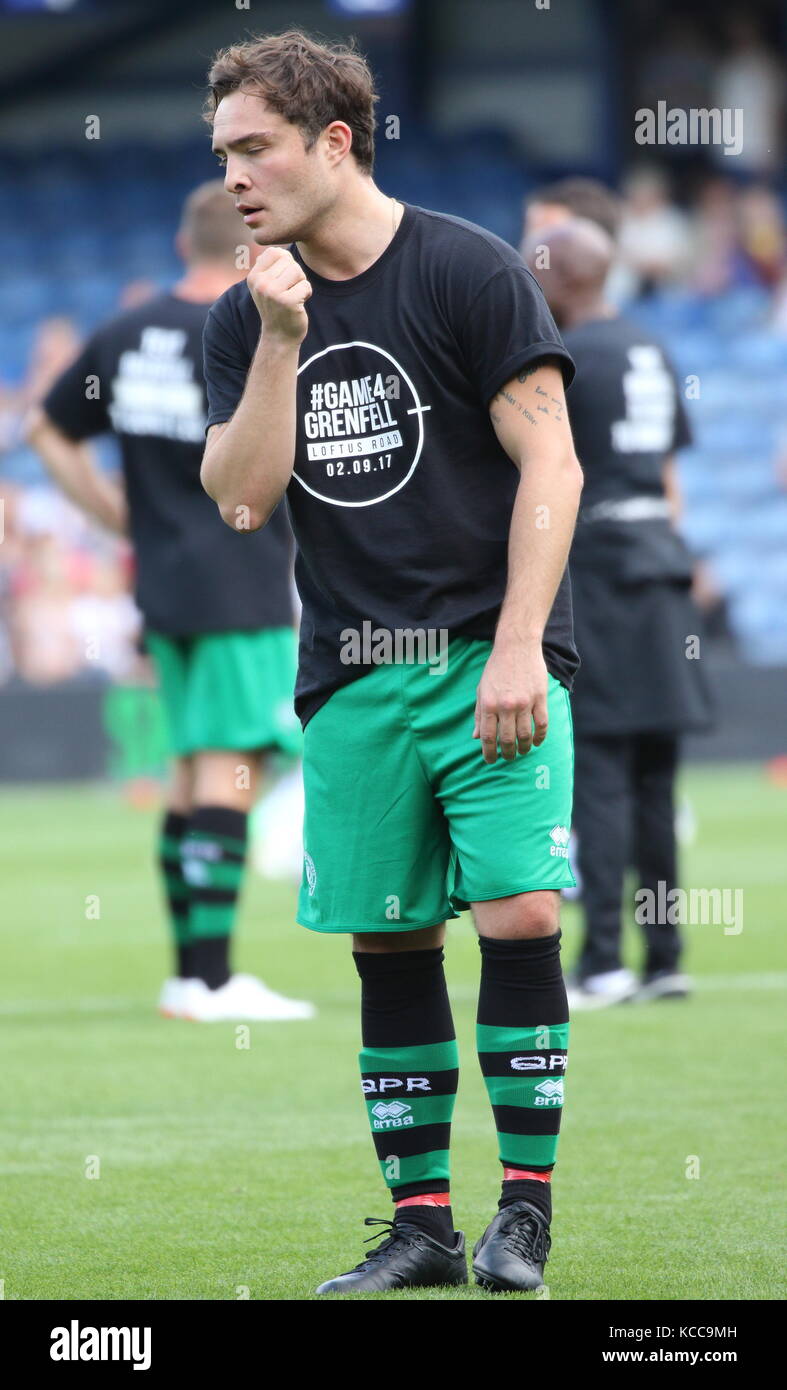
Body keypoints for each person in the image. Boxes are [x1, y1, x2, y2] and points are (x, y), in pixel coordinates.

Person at [200, 29, 583, 1294]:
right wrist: (273, 341)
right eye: (225, 155)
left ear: (334, 143)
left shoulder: (467, 269)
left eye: (256, 148)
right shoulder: (245, 313)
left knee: (523, 911)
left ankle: (520, 1214)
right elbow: (245, 502)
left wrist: (520, 644)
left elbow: (553, 463)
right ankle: (420, 1225)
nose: (238, 175)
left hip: (489, 656)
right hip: (352, 676)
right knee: (389, 940)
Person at [25, 181, 315, 1024]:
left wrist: (114, 515)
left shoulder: (124, 331)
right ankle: (213, 980)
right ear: (251, 245)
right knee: (233, 766)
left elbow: (46, 428)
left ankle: (190, 975)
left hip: (163, 583)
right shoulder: (244, 326)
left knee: (192, 771)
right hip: (240, 575)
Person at [524, 218, 713, 1008]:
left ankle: (601, 960)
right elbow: (667, 471)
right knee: (652, 778)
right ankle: (663, 956)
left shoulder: (569, 358)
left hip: (598, 574)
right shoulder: (649, 347)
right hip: (660, 568)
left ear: (564, 279)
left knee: (596, 772)